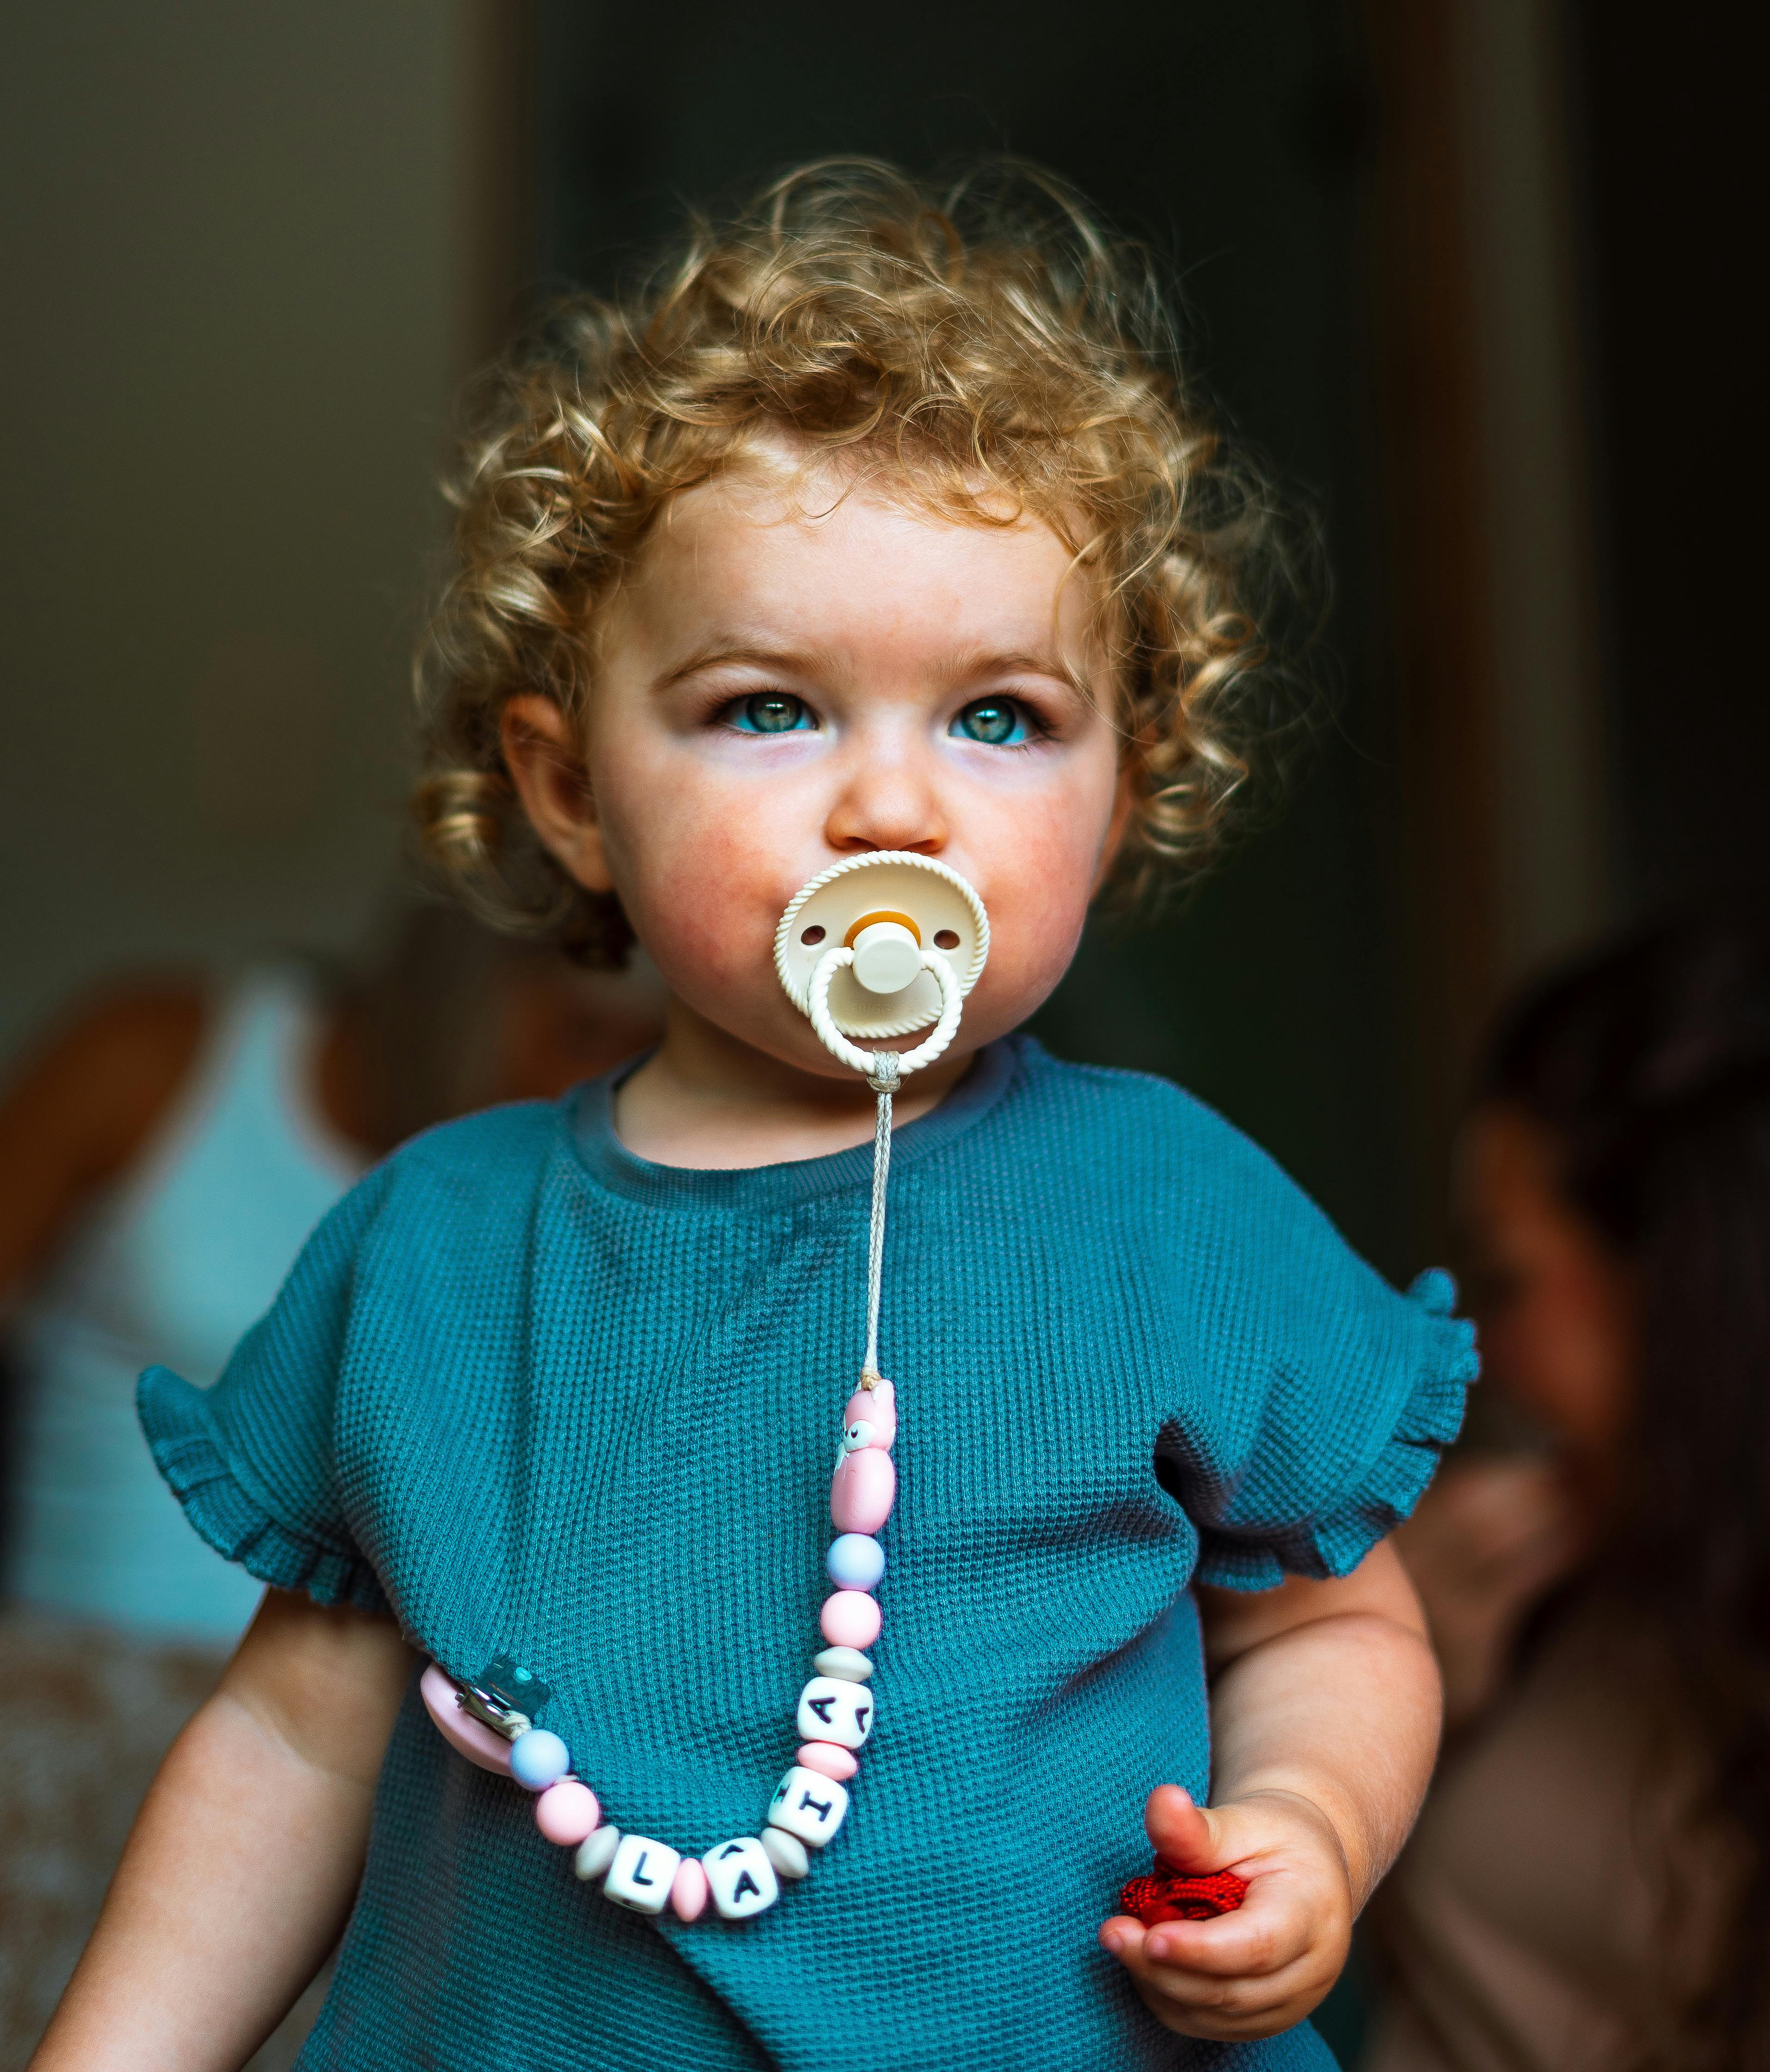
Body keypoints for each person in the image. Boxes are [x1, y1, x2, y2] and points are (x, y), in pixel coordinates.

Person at [35, 160, 1474, 2072]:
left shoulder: (1170, 1212)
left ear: (1122, 791)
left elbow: (1328, 1634)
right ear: (567, 791)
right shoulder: (434, 1246)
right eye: (769, 709)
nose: (895, 808)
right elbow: (297, 1731)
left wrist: (1312, 1830)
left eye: (1001, 719)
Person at [0, 899, 665, 1641]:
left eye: (642, 1059)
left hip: (348, 1720)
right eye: (581, 1034)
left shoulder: (562, 1194)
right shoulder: (157, 1060)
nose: (601, 1089)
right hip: (80, 1665)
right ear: (463, 989)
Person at [1364, 905, 1770, 2072]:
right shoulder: (1567, 1588)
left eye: (1509, 1280)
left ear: (1682, 1290)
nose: (1474, 1350)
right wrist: (1392, 1683)